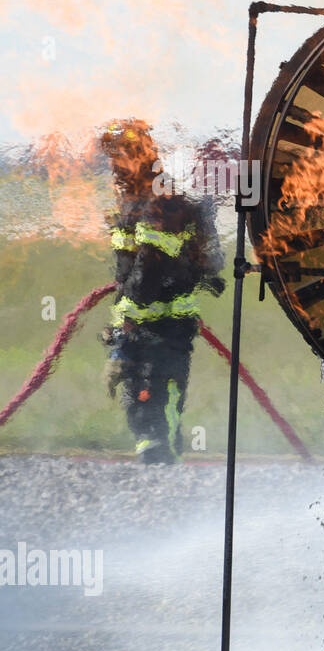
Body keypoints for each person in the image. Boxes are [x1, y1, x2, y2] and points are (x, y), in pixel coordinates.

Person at [99, 119, 225, 464]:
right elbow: (128, 275)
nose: (113, 166)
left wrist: (123, 336)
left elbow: (148, 272)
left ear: (139, 157)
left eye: (119, 157)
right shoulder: (133, 201)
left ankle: (165, 480)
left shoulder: (160, 203)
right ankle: (154, 480)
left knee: (158, 400)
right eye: (111, 158)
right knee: (140, 404)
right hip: (143, 326)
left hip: (165, 327)